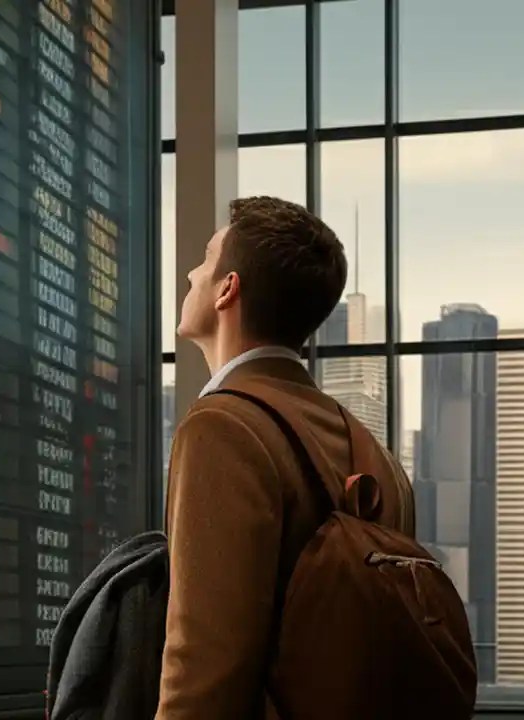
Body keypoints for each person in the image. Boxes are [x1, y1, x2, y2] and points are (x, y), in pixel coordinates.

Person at [155, 196, 416, 719]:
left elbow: (205, 660)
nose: (191, 274)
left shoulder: (221, 428)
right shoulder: (380, 459)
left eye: (206, 260)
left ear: (228, 289)